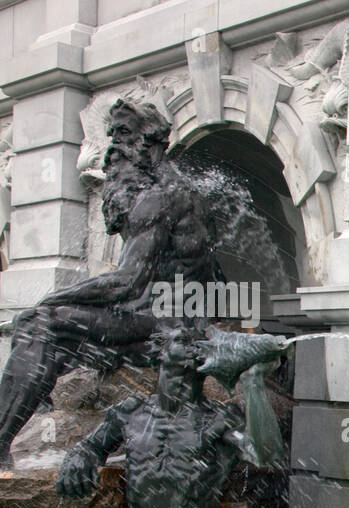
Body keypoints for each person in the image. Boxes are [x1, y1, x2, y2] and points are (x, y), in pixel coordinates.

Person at [0, 99, 223, 467]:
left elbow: (128, 283)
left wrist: (50, 300)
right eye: (111, 135)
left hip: (166, 325)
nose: (111, 148)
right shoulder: (172, 190)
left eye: (122, 134)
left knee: (41, 323)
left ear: (149, 143)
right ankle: (36, 405)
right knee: (38, 326)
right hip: (159, 314)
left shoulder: (159, 198)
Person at [55, 327, 283, 508]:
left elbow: (268, 455)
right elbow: (90, 447)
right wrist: (78, 457)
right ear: (160, 352)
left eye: (199, 342)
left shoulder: (220, 419)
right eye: (184, 340)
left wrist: (253, 385)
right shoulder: (130, 412)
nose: (193, 346)